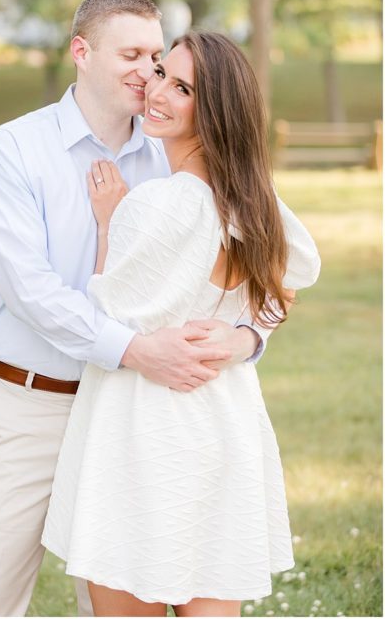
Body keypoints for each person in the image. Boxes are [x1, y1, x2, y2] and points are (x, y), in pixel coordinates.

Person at [0, 0, 272, 617]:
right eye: (131, 53)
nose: (148, 73)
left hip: (138, 415)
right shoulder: (13, 150)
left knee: (129, 596)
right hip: (30, 406)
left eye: (156, 57)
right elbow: (30, 290)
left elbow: (258, 270)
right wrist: (134, 349)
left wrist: (247, 339)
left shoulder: (179, 150)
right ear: (81, 52)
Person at [41, 32, 320, 616]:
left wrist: (111, 223)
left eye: (183, 87)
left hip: (144, 429)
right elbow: (290, 278)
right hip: (225, 422)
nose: (157, 90)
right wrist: (244, 335)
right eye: (163, 72)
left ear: (214, 110)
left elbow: (103, 321)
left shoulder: (156, 204)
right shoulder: (253, 200)